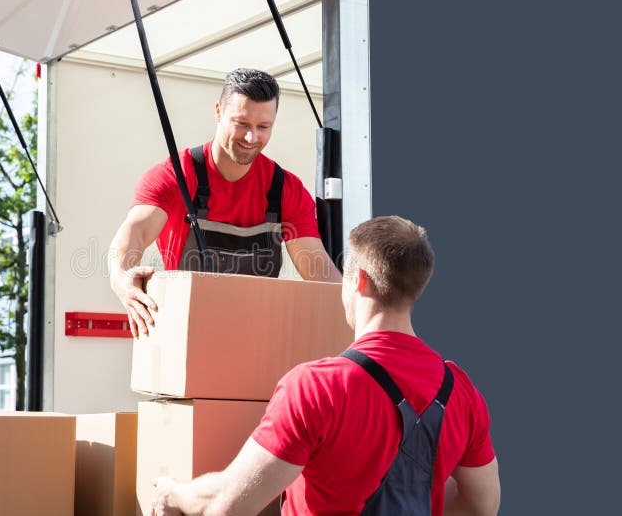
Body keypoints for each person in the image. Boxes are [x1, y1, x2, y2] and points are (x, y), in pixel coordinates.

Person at [150, 216, 501, 515]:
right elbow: (481, 504)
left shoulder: (317, 387)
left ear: (358, 280)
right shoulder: (460, 389)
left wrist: (172, 492)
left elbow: (228, 504)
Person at [109, 68, 341, 337]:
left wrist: (363, 310)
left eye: (263, 127)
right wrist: (121, 279)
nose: (252, 137)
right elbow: (136, 231)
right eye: (241, 123)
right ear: (218, 111)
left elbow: (320, 271)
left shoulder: (285, 189)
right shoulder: (177, 176)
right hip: (187, 338)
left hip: (257, 341)